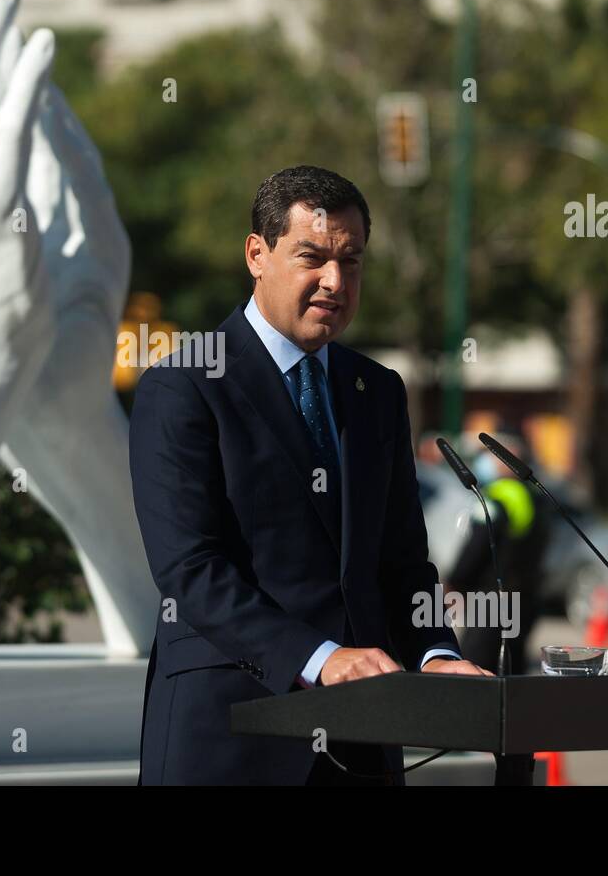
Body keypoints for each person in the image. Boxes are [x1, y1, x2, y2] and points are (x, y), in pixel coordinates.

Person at [128, 165, 491, 786]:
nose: (334, 281)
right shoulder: (184, 384)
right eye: (312, 257)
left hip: (361, 742)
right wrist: (320, 660)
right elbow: (192, 570)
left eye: (351, 262)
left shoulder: (377, 392)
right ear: (257, 255)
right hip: (231, 736)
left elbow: (402, 564)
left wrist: (435, 654)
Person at [445, 437, 550, 676]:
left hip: (493, 597)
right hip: (525, 596)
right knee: (513, 667)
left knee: (475, 665)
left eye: (490, 455)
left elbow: (477, 545)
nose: (485, 461)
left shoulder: (498, 496)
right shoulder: (534, 496)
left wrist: (455, 581)